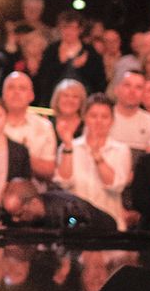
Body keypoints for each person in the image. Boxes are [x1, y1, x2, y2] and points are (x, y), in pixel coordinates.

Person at [53, 94, 131, 228]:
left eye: (104, 117)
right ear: (85, 117)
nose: (98, 121)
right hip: (77, 223)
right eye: (93, 116)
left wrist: (98, 157)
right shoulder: (70, 147)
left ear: (112, 120)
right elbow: (64, 182)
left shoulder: (121, 150)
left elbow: (116, 185)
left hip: (110, 223)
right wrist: (67, 146)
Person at [0, 70, 55, 179]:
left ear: (31, 95)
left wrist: (20, 154)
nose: (16, 92)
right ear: (3, 94)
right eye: (11, 87)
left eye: (22, 88)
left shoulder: (44, 126)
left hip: (32, 191)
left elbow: (48, 172)